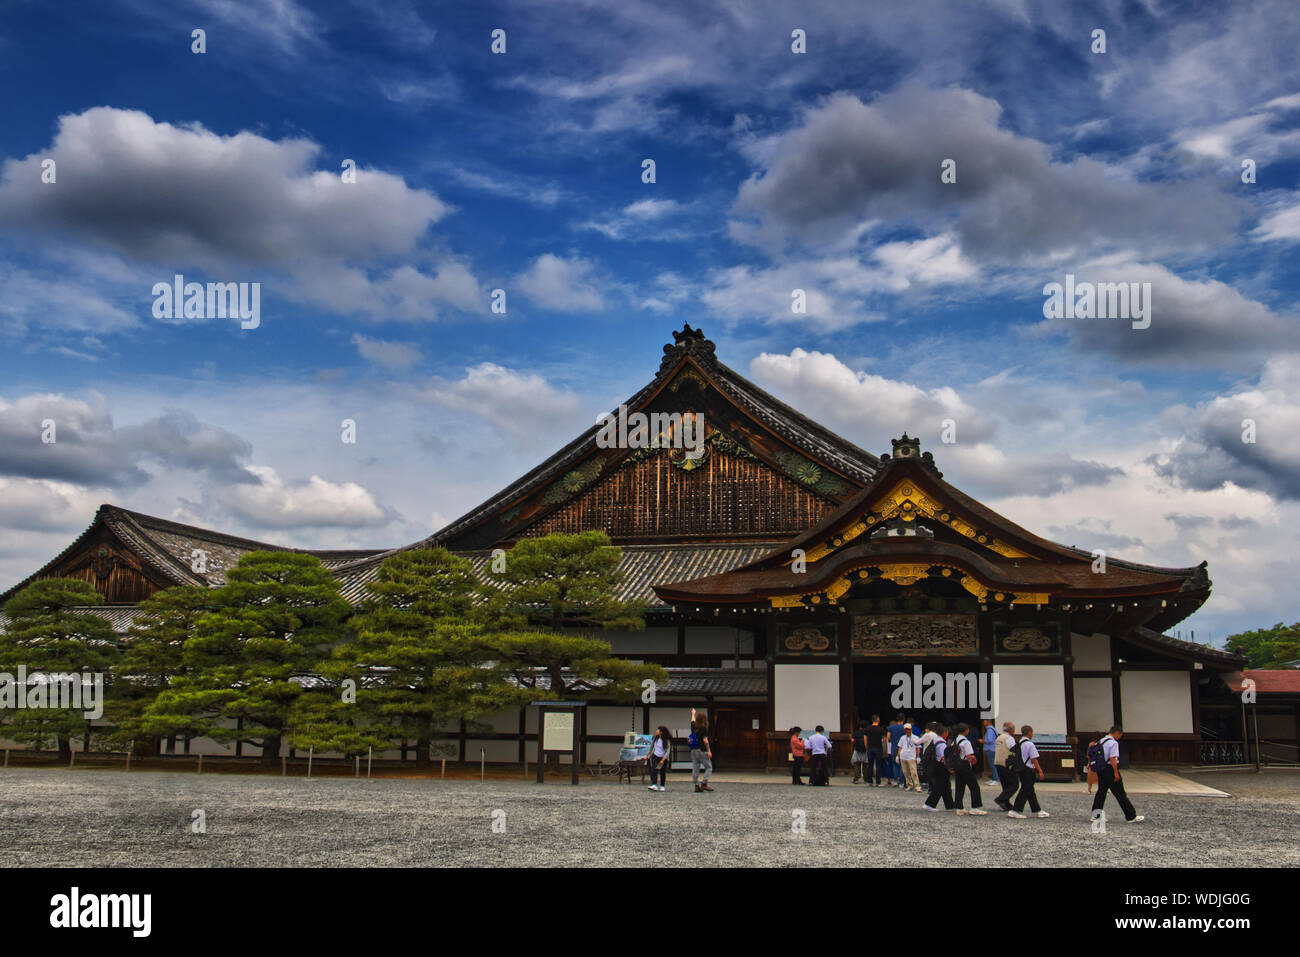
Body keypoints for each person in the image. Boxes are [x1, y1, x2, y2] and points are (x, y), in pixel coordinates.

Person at [1092, 726, 1144, 823]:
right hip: (1110, 769)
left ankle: (1096, 816)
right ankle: (1131, 816)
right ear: (1116, 733)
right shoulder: (1113, 743)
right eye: (1120, 735)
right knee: (1120, 793)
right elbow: (1113, 759)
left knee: (1101, 792)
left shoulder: (1101, 741)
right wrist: (1116, 773)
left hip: (1101, 769)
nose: (1119, 737)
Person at [1008, 725, 1049, 818]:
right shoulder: (1030, 744)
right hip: (1028, 769)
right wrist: (1040, 771)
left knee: (1029, 790)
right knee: (1025, 790)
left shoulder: (1019, 742)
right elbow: (1034, 759)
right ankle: (1015, 810)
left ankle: (1037, 810)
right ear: (1030, 732)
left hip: (1021, 768)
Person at [951, 723, 987, 815]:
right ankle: (975, 807)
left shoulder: (955, 740)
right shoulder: (966, 742)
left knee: (960, 786)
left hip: (957, 765)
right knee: (974, 786)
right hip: (965, 765)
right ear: (965, 730)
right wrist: (974, 758)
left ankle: (959, 807)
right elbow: (969, 755)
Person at [922, 724, 954, 811]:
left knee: (946, 786)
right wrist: (949, 768)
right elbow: (944, 757)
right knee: (939, 786)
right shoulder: (942, 743)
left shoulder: (935, 740)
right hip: (941, 766)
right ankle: (929, 804)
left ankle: (950, 805)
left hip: (935, 765)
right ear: (944, 733)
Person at [993, 722, 1020, 811]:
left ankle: (1006, 803)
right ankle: (1000, 799)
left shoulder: (999, 738)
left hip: (997, 762)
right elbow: (1013, 751)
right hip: (1006, 763)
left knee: (1005, 784)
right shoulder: (1009, 739)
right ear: (1011, 729)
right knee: (1014, 784)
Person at [689, 707, 714, 793]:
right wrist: (709, 750)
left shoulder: (693, 726)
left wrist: (693, 713)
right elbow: (705, 741)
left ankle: (696, 785)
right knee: (709, 767)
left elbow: (692, 720)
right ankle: (704, 783)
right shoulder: (704, 728)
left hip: (693, 750)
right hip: (702, 750)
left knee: (695, 767)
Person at [896, 722, 923, 792]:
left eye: (908, 729)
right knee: (905, 772)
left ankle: (917, 786)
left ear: (911, 729)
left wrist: (918, 756)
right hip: (903, 756)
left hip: (911, 756)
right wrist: (897, 756)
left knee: (913, 772)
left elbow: (918, 748)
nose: (907, 731)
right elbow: (900, 747)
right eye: (906, 729)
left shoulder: (915, 737)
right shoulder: (902, 738)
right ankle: (909, 785)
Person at [647, 726, 672, 792]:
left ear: (661, 732)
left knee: (662, 772)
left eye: (658, 730)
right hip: (655, 755)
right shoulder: (655, 738)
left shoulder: (666, 740)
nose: (656, 731)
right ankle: (654, 784)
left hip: (663, 757)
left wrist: (663, 759)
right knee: (654, 770)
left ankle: (662, 785)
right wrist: (648, 754)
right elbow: (651, 746)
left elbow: (668, 751)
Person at [864, 714, 887, 786]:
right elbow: (884, 740)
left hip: (870, 748)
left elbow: (865, 739)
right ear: (878, 720)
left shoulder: (868, 728)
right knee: (878, 765)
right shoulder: (881, 729)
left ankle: (869, 781)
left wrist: (866, 747)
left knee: (870, 765)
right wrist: (885, 749)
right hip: (878, 748)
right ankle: (878, 781)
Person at [886, 713, 907, 786]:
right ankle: (901, 782)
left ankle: (895, 781)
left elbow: (888, 737)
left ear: (897, 718)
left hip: (894, 748)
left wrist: (892, 740)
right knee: (902, 765)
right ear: (904, 719)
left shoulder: (891, 727)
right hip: (903, 748)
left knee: (895, 765)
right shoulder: (905, 727)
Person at [981, 718, 999, 786]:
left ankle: (995, 779)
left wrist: (982, 741)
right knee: (992, 764)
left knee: (992, 765)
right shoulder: (992, 729)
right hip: (992, 749)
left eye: (984, 721)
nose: (983, 723)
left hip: (990, 749)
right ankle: (994, 778)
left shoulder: (990, 730)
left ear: (988, 722)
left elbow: (989, 740)